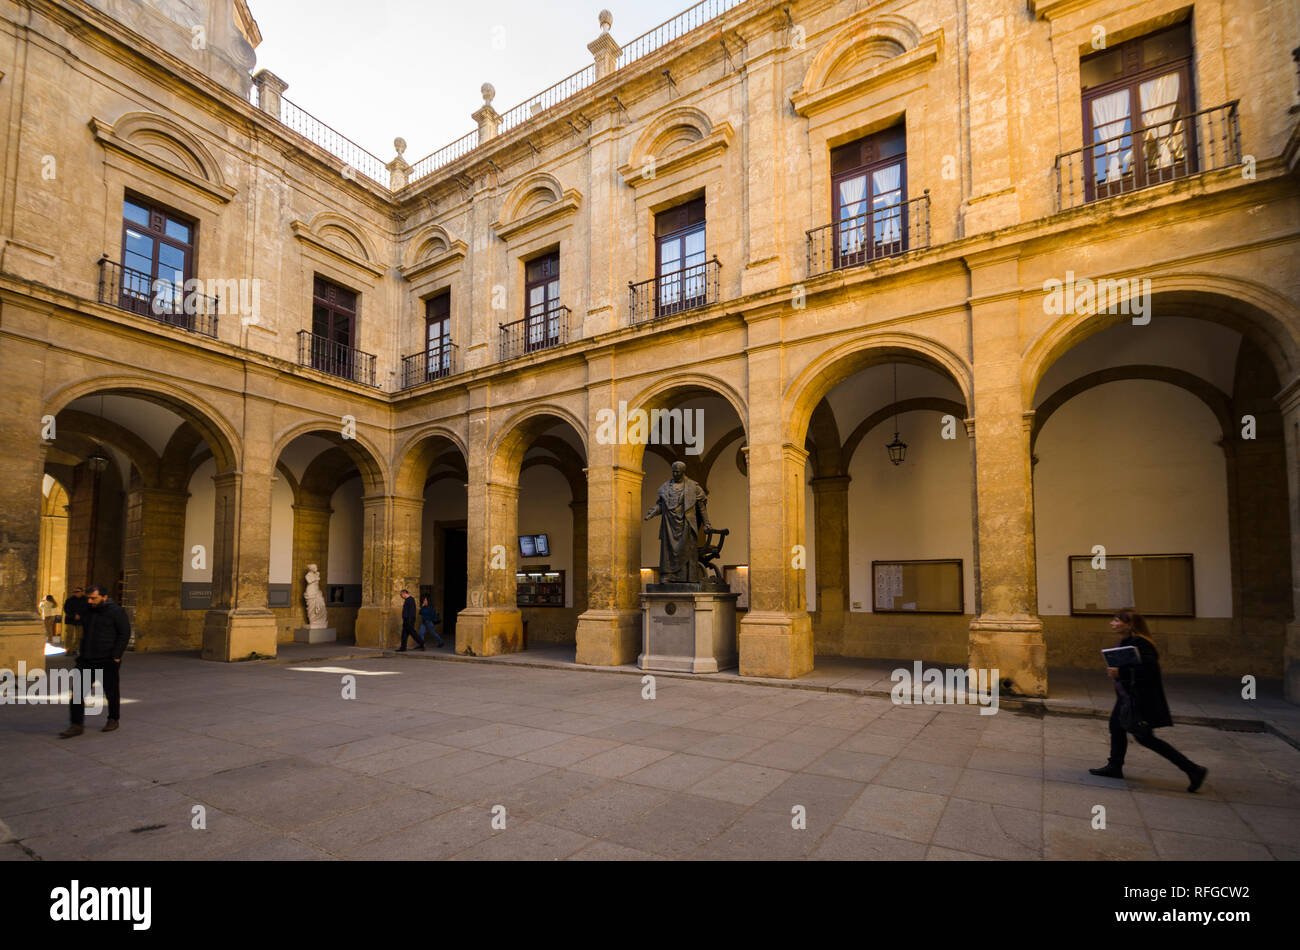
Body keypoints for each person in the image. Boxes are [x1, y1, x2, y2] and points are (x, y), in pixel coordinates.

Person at [1089, 608, 1208, 792]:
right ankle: (1114, 766)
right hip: (1128, 696)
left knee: (1145, 738)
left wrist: (1121, 672)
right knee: (1116, 727)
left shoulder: (1142, 643)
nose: (1112, 623)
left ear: (1129, 625)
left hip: (1140, 698)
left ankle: (1192, 769)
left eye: (1116, 620)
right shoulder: (1129, 641)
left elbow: (1148, 668)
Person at [58, 585, 130, 737]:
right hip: (86, 659)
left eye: (94, 598)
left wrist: (116, 656)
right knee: (77, 693)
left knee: (111, 692)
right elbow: (73, 618)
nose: (90, 601)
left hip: (107, 659)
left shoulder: (117, 611)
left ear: (104, 597)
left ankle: (113, 719)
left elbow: (124, 634)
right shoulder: (88, 609)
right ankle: (76, 725)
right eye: (89, 598)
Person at [62, 586, 87, 656]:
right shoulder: (69, 600)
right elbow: (66, 609)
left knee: (79, 636)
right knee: (69, 635)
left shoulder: (86, 600)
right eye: (74, 592)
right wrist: (74, 615)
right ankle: (68, 649)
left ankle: (75, 649)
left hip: (81, 620)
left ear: (82, 592)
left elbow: (87, 609)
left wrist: (80, 615)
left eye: (77, 591)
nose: (76, 593)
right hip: (70, 619)